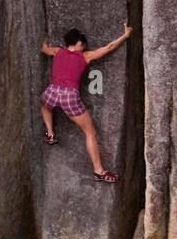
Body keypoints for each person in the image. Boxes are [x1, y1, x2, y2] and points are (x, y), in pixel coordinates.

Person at [39, 23, 134, 183]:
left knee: (44, 104)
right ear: (78, 43)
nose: (83, 47)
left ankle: (50, 134)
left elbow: (43, 48)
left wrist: (45, 36)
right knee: (90, 133)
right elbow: (109, 47)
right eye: (82, 44)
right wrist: (125, 36)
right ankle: (99, 171)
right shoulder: (85, 56)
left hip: (52, 92)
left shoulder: (57, 51)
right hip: (69, 97)